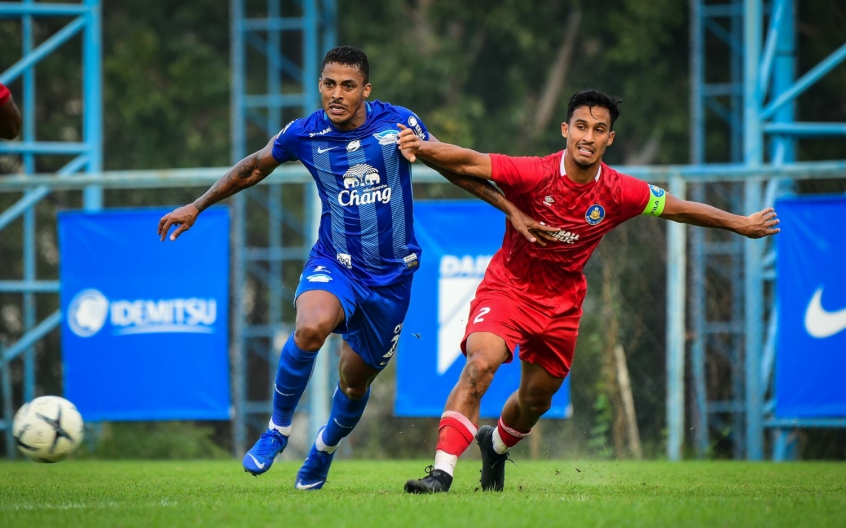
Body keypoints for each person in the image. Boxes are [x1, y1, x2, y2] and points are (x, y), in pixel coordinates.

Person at [157, 46, 554, 490]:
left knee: (352, 382)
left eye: (348, 86)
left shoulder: (399, 123)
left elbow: (454, 169)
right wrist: (197, 205)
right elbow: (252, 168)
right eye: (329, 84)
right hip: (336, 263)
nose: (337, 94)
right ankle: (277, 431)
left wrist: (510, 209)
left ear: (366, 89)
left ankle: (324, 449)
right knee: (311, 327)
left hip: (391, 279)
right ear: (320, 86)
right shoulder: (304, 134)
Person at [399, 89, 780, 494]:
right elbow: (471, 161)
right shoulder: (534, 173)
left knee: (535, 400)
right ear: (565, 130)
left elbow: (678, 208)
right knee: (480, 365)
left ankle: (494, 447)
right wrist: (420, 146)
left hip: (562, 306)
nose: (588, 137)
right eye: (581, 126)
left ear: (609, 139)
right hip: (508, 289)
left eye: (599, 130)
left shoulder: (620, 192)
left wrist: (741, 223)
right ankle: (441, 474)